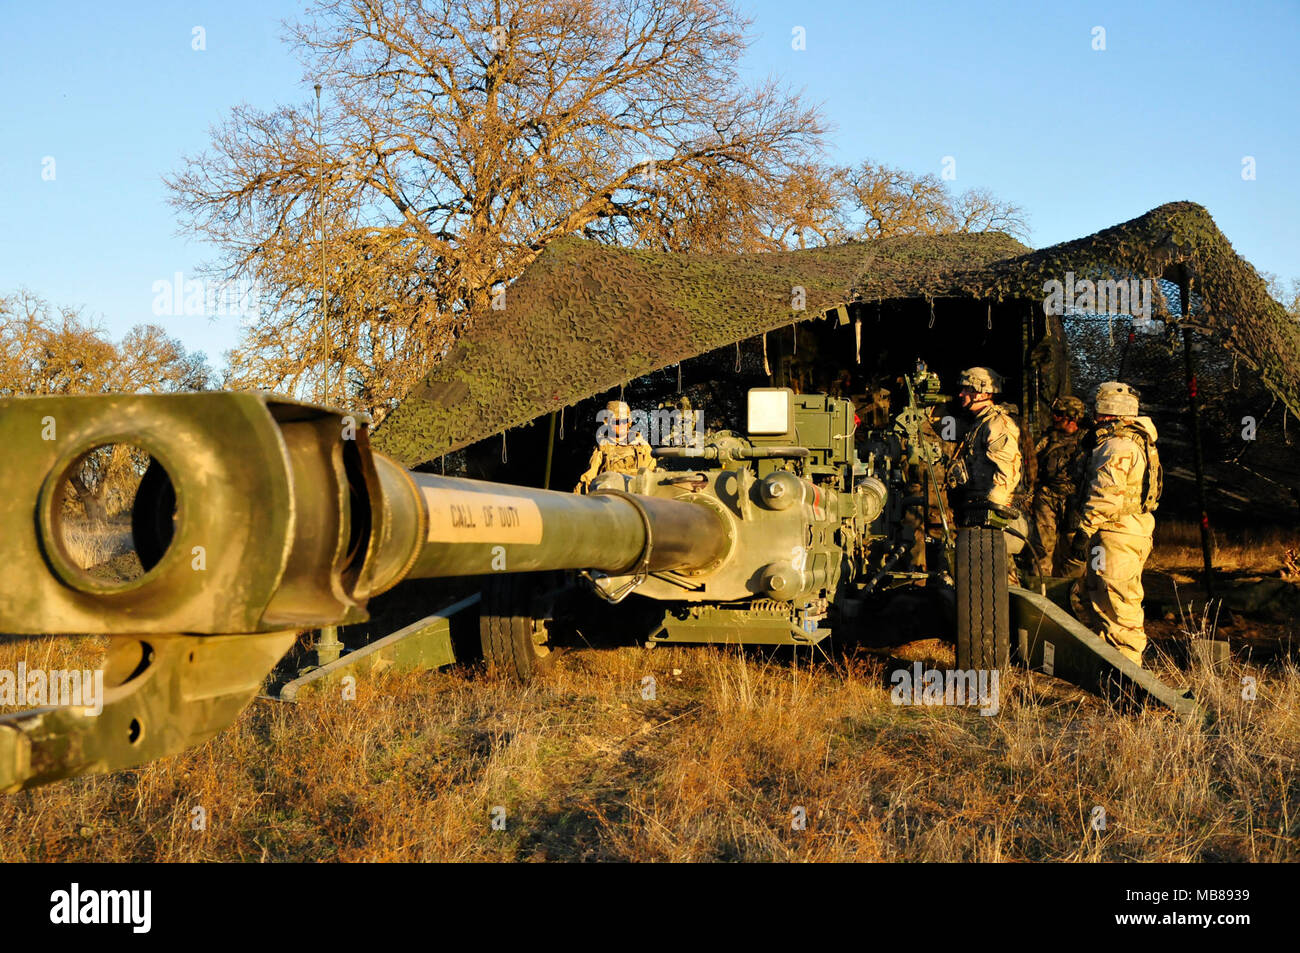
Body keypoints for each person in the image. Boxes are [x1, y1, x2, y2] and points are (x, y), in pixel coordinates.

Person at [1065, 382, 1161, 667]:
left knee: (1120, 608)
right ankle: (1110, 672)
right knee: (1098, 601)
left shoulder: (1118, 446)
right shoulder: (1126, 440)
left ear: (1106, 411)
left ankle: (1129, 684)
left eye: (1096, 409)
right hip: (1118, 531)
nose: (1092, 416)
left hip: (1117, 533)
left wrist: (1083, 530)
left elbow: (1106, 494)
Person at [947, 366, 1024, 584]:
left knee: (1000, 577)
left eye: (966, 390)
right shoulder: (979, 423)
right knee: (981, 577)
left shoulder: (996, 423)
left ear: (982, 392)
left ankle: (1012, 615)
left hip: (989, 513)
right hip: (976, 508)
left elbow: (1008, 468)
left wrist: (995, 510)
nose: (961, 395)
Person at [1029, 395, 1089, 576]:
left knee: (1075, 553)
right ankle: (1041, 592)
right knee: (1041, 550)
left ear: (1072, 417)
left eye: (1058, 414)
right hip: (1047, 498)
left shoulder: (1088, 441)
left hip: (1076, 501)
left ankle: (1071, 595)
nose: (1053, 418)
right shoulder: (1046, 440)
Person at [574, 400, 656, 493]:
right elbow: (589, 478)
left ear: (629, 422)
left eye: (624, 421)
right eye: (617, 421)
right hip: (611, 499)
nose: (621, 425)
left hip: (637, 499)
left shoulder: (642, 446)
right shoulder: (603, 448)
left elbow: (652, 477)